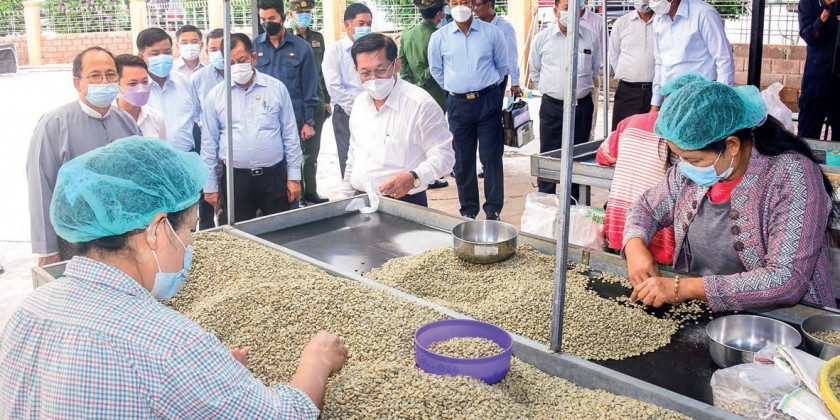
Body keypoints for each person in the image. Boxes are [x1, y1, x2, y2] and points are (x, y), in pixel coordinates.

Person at [2, 137, 348, 417]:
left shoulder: (29, 310)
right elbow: (282, 415)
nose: (190, 243)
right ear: (157, 231)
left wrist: (206, 379)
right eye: (189, 229)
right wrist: (316, 362)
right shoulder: (169, 344)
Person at [624, 78, 836, 312]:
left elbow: (785, 281)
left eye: (694, 160)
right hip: (708, 313)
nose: (685, 167)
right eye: (681, 158)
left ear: (732, 145)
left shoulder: (792, 175)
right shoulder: (689, 174)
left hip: (789, 319)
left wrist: (683, 288)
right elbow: (646, 208)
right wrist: (635, 246)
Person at [27, 47, 140, 266]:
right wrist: (47, 248)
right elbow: (41, 187)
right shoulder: (54, 124)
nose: (104, 81)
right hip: (75, 239)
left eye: (110, 74)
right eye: (95, 75)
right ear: (77, 83)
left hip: (124, 235)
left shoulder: (126, 121)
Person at [596, 73, 708, 265]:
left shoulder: (628, 122)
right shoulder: (685, 137)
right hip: (658, 237)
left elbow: (603, 157)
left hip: (618, 226)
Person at [343, 33, 455, 207]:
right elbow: (353, 154)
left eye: (381, 70)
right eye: (365, 73)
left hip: (405, 201)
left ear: (396, 65)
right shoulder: (359, 103)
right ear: (356, 70)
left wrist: (414, 177)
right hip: (361, 200)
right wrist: (345, 197)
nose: (373, 79)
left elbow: (445, 156)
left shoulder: (420, 105)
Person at [201, 33, 303, 223]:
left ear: (253, 58)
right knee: (237, 234)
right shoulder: (216, 96)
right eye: (231, 63)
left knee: (281, 230)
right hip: (236, 180)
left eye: (242, 60)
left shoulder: (276, 89)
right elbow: (209, 144)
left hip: (273, 177)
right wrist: (210, 185)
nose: (237, 67)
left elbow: (290, 135)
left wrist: (294, 177)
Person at [429, 0, 508, 220]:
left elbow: (501, 66)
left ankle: (493, 210)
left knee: (491, 156)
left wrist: (485, 89)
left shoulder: (492, 33)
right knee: (462, 160)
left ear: (473, 4)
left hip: (487, 102)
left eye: (464, 1)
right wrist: (457, 88)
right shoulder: (439, 38)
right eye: (455, 2)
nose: (460, 6)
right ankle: (468, 210)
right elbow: (437, 70)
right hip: (458, 105)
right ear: (448, 4)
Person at [529, 0, 599, 197]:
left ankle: (575, 205)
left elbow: (594, 70)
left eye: (576, 7)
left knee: (579, 159)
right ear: (556, 11)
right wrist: (555, 90)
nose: (571, 12)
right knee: (549, 159)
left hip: (581, 108)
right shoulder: (542, 39)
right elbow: (535, 73)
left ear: (582, 11)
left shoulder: (591, 38)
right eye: (566, 8)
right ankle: (546, 203)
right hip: (552, 108)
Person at [399, 0, 450, 190]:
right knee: (434, 137)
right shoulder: (439, 36)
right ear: (438, 15)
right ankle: (430, 176)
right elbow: (437, 66)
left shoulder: (408, 33)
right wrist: (421, 82)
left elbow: (402, 62)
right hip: (435, 91)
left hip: (411, 90)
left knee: (415, 133)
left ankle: (416, 172)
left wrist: (410, 84)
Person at [648, 0, 734, 109]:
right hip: (671, 97)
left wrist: (722, 99)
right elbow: (660, 62)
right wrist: (655, 104)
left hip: (701, 96)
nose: (653, 2)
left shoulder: (703, 13)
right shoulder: (658, 19)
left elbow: (723, 58)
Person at [288, 0, 332, 205]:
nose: (304, 15)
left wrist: (327, 100)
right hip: (296, 104)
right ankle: (298, 193)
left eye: (307, 12)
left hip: (317, 101)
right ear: (291, 14)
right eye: (300, 12)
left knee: (312, 152)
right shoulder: (288, 38)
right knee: (295, 152)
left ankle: (311, 192)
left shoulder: (317, 38)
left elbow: (321, 72)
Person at [323, 2, 372, 178]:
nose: (366, 28)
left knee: (373, 156)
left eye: (369, 24)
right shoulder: (335, 51)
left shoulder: (373, 49)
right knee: (349, 159)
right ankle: (351, 193)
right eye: (361, 23)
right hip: (346, 113)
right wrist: (357, 108)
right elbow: (334, 87)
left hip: (373, 110)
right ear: (347, 24)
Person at [136, 27, 199, 153]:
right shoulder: (137, 89)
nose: (162, 57)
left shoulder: (184, 82)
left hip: (185, 156)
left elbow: (196, 117)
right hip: (151, 158)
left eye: (167, 52)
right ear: (141, 57)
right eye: (155, 54)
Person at [191, 28, 228, 229]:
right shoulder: (198, 78)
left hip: (232, 145)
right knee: (207, 193)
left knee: (229, 198)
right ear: (206, 51)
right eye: (213, 49)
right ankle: (207, 229)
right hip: (208, 143)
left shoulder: (239, 74)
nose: (218, 53)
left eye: (222, 48)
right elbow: (195, 112)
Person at [608, 0, 655, 130]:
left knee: (651, 136)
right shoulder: (622, 23)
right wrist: (629, 76)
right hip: (627, 92)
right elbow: (614, 54)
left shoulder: (663, 22)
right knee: (622, 133)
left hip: (656, 93)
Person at [797, 0, 839, 140]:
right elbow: (808, 36)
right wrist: (824, 15)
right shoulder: (808, 3)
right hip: (816, 80)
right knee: (807, 136)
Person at [474, 0, 521, 98]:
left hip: (497, 80)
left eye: (477, 5)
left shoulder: (505, 28)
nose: (474, 9)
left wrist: (515, 83)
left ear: (488, 5)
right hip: (477, 80)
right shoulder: (474, 27)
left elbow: (511, 56)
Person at [115, 54, 167, 139]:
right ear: (117, 85)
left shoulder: (156, 118)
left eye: (145, 82)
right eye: (133, 84)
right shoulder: (108, 119)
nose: (141, 89)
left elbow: (163, 147)